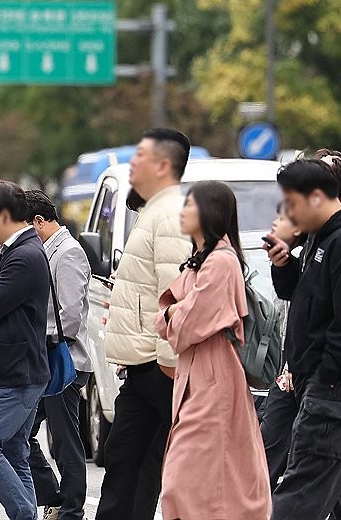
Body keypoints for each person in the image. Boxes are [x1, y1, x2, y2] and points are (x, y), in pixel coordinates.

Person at [266, 159, 341, 520]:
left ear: (317, 197)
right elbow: (308, 299)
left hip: (332, 391)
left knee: (299, 494)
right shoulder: (324, 236)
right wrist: (284, 264)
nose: (289, 214)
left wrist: (325, 376)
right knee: (337, 494)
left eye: (293, 204)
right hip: (323, 388)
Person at [155, 181, 272, 520]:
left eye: (190, 205)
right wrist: (174, 313)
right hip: (196, 375)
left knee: (191, 477)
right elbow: (165, 316)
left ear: (210, 212)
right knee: (196, 477)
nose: (183, 211)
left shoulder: (221, 262)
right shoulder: (199, 261)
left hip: (214, 376)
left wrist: (174, 313)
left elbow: (188, 322)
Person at [97, 128, 193, 520]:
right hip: (145, 364)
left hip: (159, 366)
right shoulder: (155, 210)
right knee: (126, 459)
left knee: (142, 461)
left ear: (163, 166)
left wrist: (168, 362)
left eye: (140, 157)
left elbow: (177, 293)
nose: (132, 164)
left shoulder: (169, 215)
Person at [0, 181, 51, 520]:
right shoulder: (12, 250)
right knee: (15, 452)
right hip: (17, 369)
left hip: (18, 372)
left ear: (3, 216)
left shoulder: (24, 256)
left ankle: (23, 514)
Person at [25, 189, 93, 520]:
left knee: (65, 441)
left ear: (39, 221)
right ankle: (54, 496)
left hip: (63, 360)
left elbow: (70, 317)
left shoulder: (67, 252)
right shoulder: (47, 250)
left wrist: (38, 339)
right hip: (46, 360)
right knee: (19, 434)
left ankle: (71, 509)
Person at [260, 203, 304, 488]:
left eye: (283, 218)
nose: (275, 223)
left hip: (307, 373)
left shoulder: (316, 253)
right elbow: (280, 316)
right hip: (289, 372)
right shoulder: (290, 259)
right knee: (268, 450)